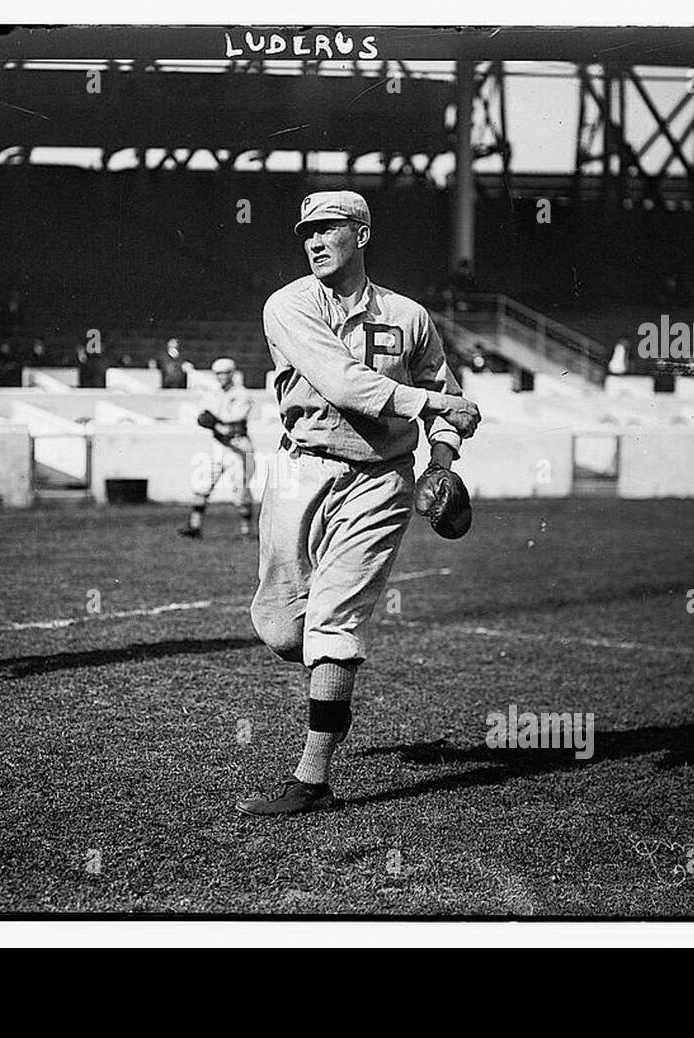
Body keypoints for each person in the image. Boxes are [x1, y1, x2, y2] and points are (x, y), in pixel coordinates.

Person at [238, 191, 481, 817]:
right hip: (300, 469)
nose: (315, 241)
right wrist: (438, 409)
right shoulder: (288, 304)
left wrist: (443, 464)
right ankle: (326, 684)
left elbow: (442, 391)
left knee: (333, 622)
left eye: (329, 229)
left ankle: (312, 775)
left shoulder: (411, 316)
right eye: (307, 232)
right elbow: (346, 383)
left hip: (381, 479)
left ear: (362, 235)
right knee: (281, 627)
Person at [180, 357, 254, 539]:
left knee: (240, 493)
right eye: (218, 374)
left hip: (238, 447)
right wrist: (216, 424)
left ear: (232, 374)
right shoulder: (213, 392)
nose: (221, 377)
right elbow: (202, 417)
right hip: (218, 446)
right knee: (202, 485)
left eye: (224, 373)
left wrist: (214, 422)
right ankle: (195, 527)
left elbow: (232, 423)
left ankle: (246, 531)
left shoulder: (242, 393)